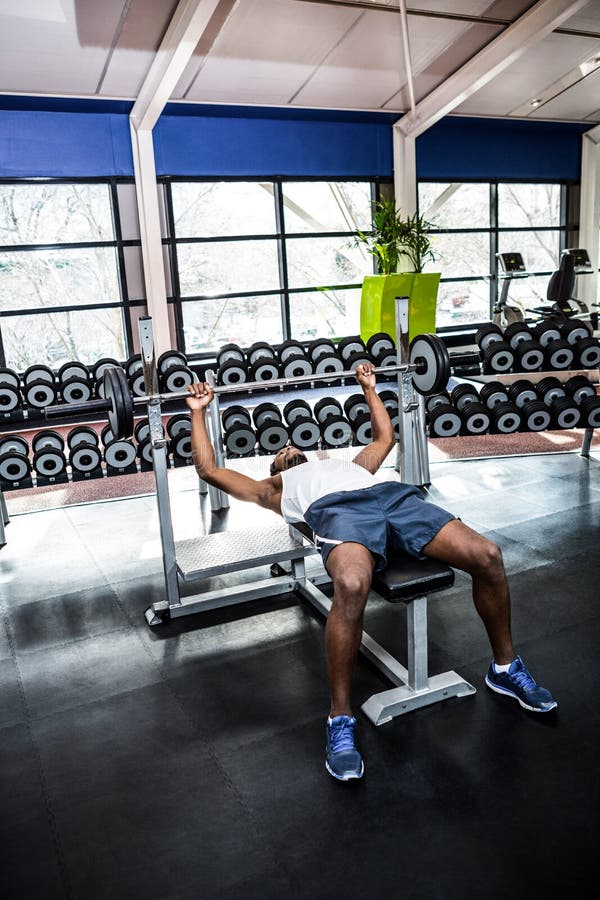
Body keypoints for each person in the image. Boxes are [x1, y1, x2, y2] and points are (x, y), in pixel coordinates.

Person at [186, 364, 557, 782]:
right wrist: (198, 412)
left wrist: (369, 388)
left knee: (487, 554)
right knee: (350, 583)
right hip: (339, 514)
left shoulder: (353, 465)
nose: (288, 446)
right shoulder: (274, 488)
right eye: (281, 451)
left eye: (293, 446)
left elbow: (385, 438)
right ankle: (339, 718)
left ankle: (505, 670)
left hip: (388, 495)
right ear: (276, 467)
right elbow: (209, 470)